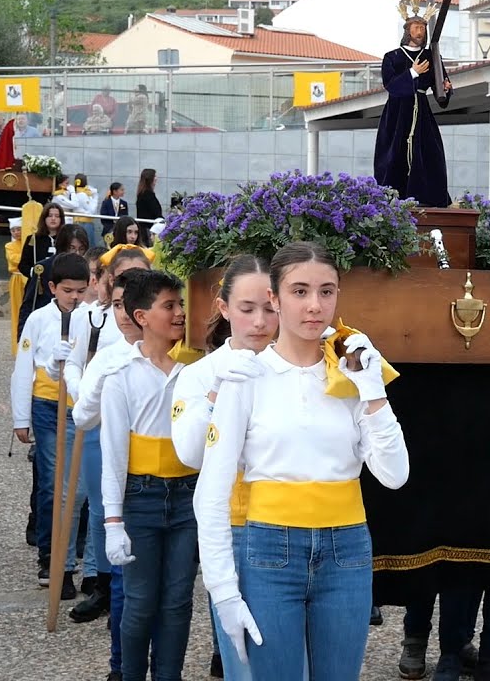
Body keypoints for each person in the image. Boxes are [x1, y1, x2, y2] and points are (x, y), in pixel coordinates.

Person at [197, 241, 409, 680]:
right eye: (299, 291)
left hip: (346, 551)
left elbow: (394, 475)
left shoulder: (352, 372)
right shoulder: (245, 376)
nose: (315, 306)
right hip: (270, 550)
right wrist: (224, 593)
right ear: (274, 298)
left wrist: (372, 390)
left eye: (327, 291)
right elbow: (211, 495)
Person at [168, 255, 276, 681]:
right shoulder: (199, 373)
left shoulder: (297, 367)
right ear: (223, 307)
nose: (259, 322)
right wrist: (217, 392)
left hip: (293, 520)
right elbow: (190, 452)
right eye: (247, 309)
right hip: (232, 525)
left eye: (270, 308)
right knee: (241, 656)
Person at [100, 269, 197, 681]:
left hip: (188, 497)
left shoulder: (194, 368)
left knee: (177, 602)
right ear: (141, 316)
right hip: (140, 497)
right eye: (169, 306)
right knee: (140, 602)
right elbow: (113, 452)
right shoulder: (121, 374)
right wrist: (112, 520)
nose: (180, 313)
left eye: (181, 304)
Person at [62, 246, 154, 632]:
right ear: (111, 280)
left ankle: (137, 588)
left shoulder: (157, 317)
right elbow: (74, 362)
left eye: (141, 275)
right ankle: (105, 585)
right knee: (102, 507)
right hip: (101, 422)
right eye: (125, 276)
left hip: (146, 428)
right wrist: (80, 390)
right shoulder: (94, 318)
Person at [11, 252, 91, 599]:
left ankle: (77, 547)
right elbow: (24, 365)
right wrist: (20, 416)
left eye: (81, 290)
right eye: (68, 290)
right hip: (47, 405)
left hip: (82, 406)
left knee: (80, 485)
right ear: (52, 287)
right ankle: (49, 554)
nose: (75, 297)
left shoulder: (91, 318)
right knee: (51, 483)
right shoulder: (39, 319)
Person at [374, 8, 454, 207]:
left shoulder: (432, 56)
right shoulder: (392, 57)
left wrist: (445, 88)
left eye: (423, 29)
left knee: (428, 153)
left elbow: (440, 91)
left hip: (422, 111)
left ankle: (428, 198)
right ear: (408, 31)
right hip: (397, 113)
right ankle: (392, 199)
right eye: (417, 28)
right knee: (394, 154)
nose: (420, 32)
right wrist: (412, 72)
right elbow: (391, 85)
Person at [17, 201, 68, 337]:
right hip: (39, 286)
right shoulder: (33, 239)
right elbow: (23, 265)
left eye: (57, 216)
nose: (53, 219)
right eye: (50, 215)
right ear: (44, 218)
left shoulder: (65, 240)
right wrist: (35, 273)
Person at [6, 218, 28, 352]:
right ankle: (17, 345)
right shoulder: (9, 246)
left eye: (18, 229)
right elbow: (15, 260)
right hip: (17, 278)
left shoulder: (29, 242)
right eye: (13, 230)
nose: (16, 232)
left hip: (27, 277)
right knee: (17, 310)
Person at [134, 169, 161, 238]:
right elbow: (155, 212)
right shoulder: (148, 195)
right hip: (148, 229)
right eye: (155, 176)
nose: (156, 178)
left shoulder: (142, 193)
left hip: (145, 228)